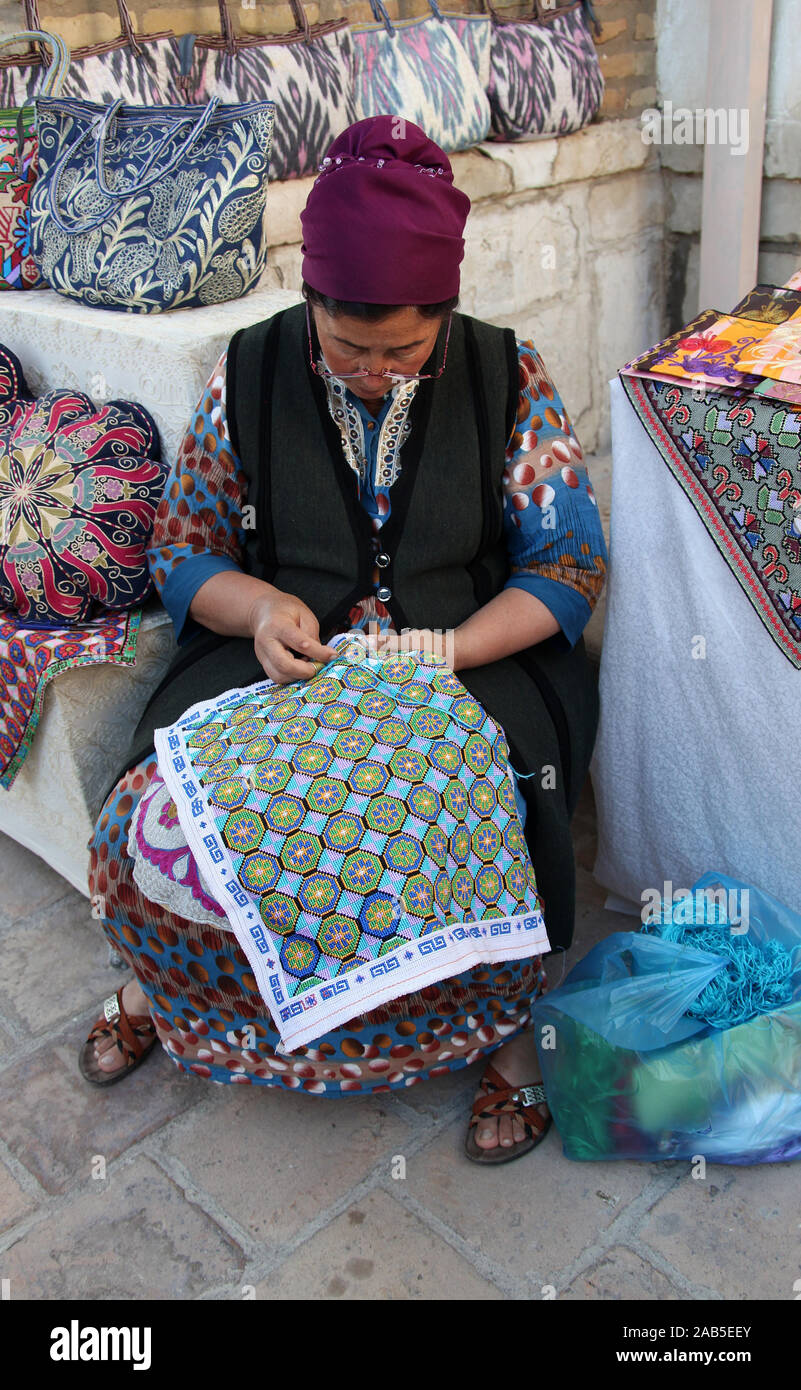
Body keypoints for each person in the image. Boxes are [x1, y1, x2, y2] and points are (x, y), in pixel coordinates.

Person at [82, 117, 607, 1165]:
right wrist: (258, 609)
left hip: (465, 654)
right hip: (285, 656)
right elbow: (182, 550)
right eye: (348, 345)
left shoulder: (509, 375)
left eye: (403, 349)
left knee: (466, 802)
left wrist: (450, 652)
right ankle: (166, 988)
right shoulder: (252, 368)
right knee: (161, 811)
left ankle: (500, 1039)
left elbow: (570, 567)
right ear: (310, 300)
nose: (373, 371)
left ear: (446, 316)